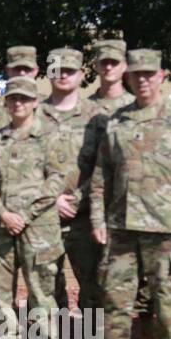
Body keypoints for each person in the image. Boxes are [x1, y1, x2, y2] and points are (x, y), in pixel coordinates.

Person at [80, 50, 171, 339]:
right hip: (121, 224)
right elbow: (101, 175)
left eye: (149, 74)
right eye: (137, 74)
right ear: (129, 77)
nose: (143, 80)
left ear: (161, 76)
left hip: (166, 225)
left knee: (168, 294)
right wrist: (97, 218)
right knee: (114, 292)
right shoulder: (118, 120)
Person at [0, 77, 69, 339]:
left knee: (41, 292)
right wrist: (3, 213)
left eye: (24, 99)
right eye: (13, 98)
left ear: (34, 103)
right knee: (2, 293)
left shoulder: (51, 137)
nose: (18, 103)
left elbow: (56, 179)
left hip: (39, 227)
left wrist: (25, 215)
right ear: (6, 103)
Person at [40, 47, 109, 319]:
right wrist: (51, 199)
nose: (62, 76)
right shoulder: (34, 114)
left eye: (69, 71)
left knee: (92, 283)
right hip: (44, 214)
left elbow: (106, 167)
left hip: (84, 216)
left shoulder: (98, 116)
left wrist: (79, 198)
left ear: (81, 75)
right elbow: (27, 167)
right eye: (56, 70)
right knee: (43, 282)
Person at [88, 39, 134, 115]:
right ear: (95, 66)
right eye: (104, 62)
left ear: (124, 66)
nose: (108, 67)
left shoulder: (135, 106)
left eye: (114, 62)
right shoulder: (85, 108)